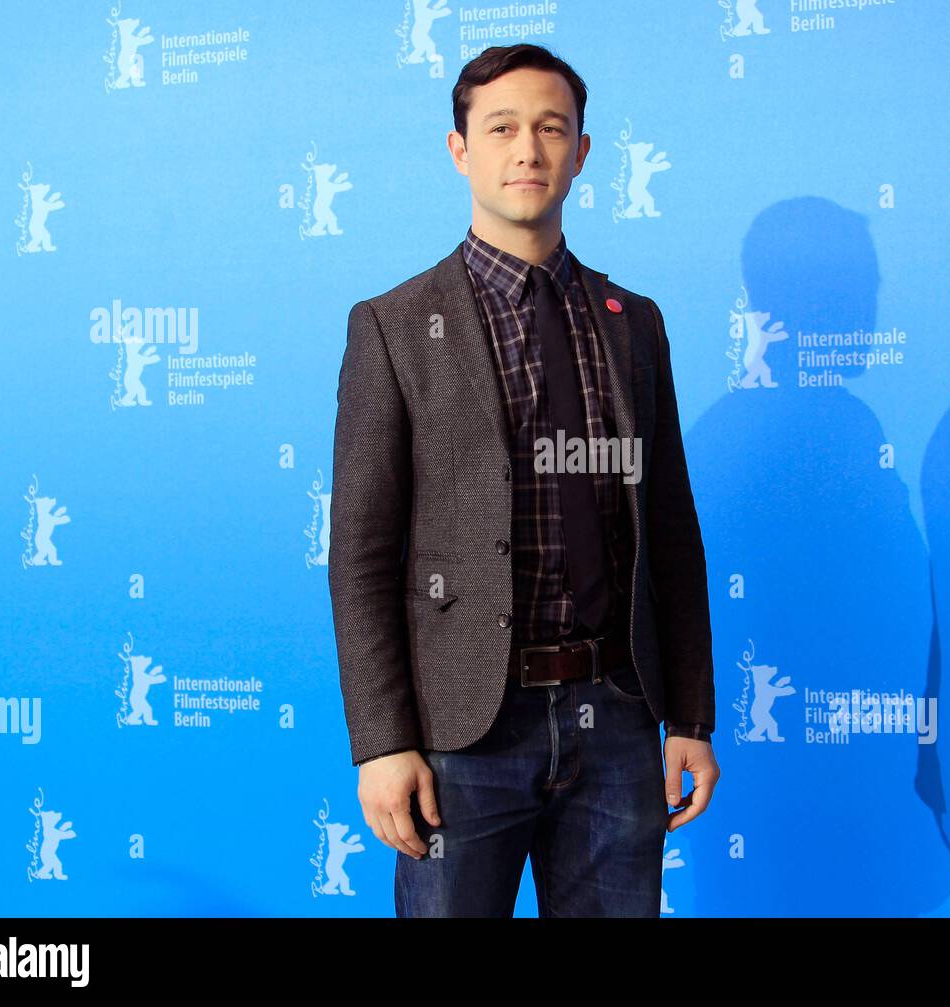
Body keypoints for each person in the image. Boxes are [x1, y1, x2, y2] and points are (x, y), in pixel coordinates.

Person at [328, 42, 718, 918]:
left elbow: (672, 531)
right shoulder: (393, 327)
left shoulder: (633, 322)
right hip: (461, 733)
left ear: (582, 151)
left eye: (552, 128)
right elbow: (359, 554)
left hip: (616, 717)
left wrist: (689, 717)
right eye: (501, 128)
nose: (528, 151)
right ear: (460, 149)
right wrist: (382, 743)